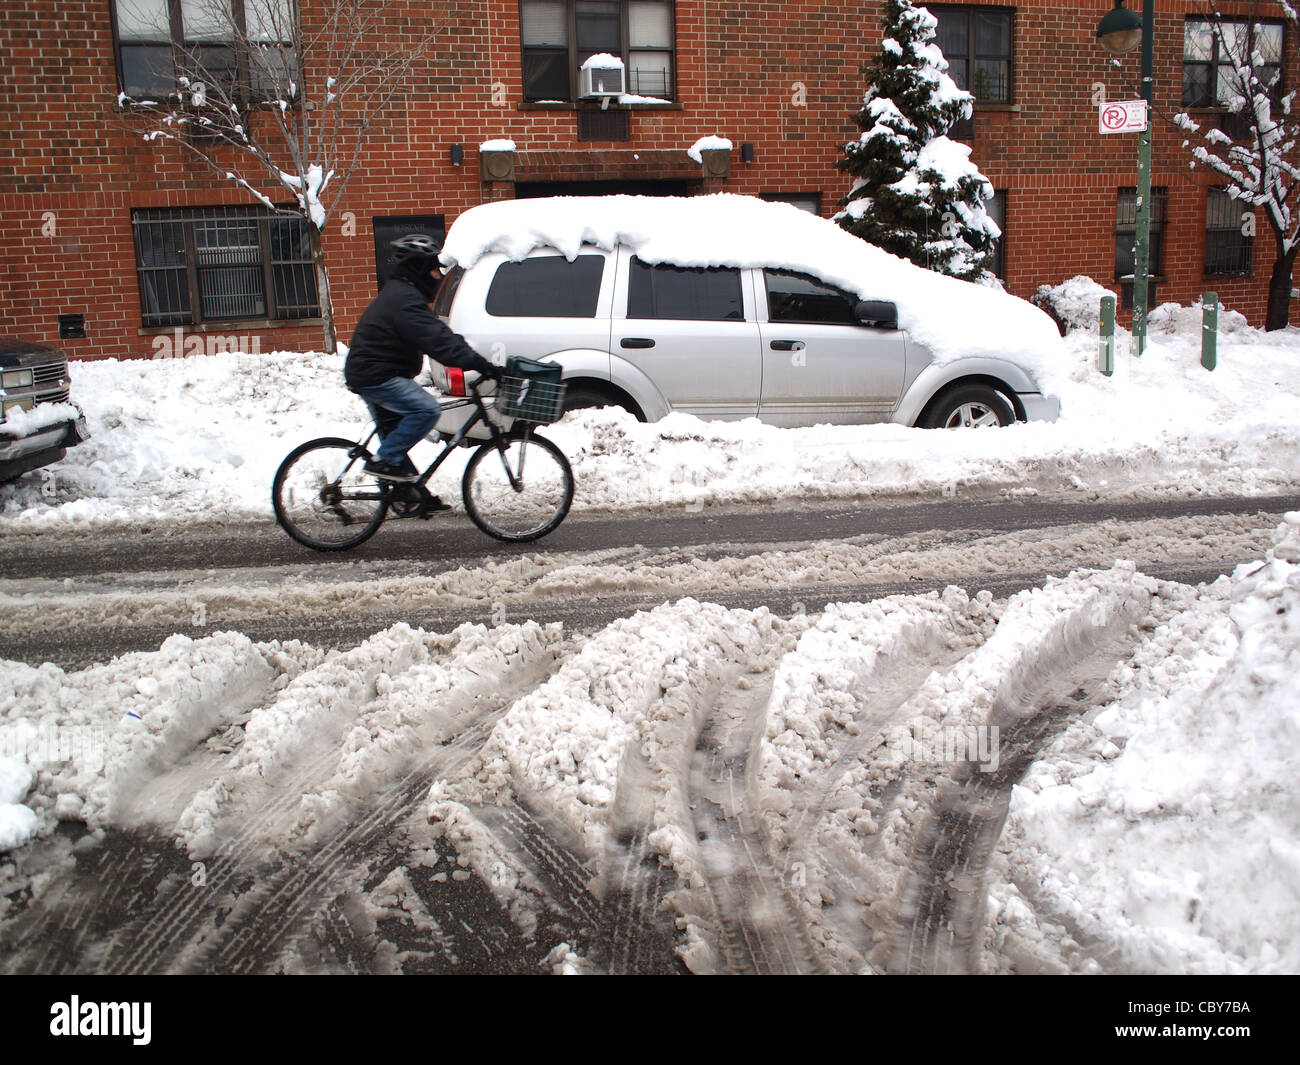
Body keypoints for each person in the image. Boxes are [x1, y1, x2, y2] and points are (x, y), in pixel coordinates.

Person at [344, 234, 500, 481]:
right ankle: (383, 462)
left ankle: (410, 494)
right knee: (426, 410)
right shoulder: (405, 300)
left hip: (374, 372)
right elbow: (438, 341)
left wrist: (471, 356)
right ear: (419, 269)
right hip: (377, 376)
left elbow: (440, 335)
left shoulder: (403, 295)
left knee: (395, 436)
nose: (437, 278)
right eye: (433, 271)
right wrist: (480, 364)